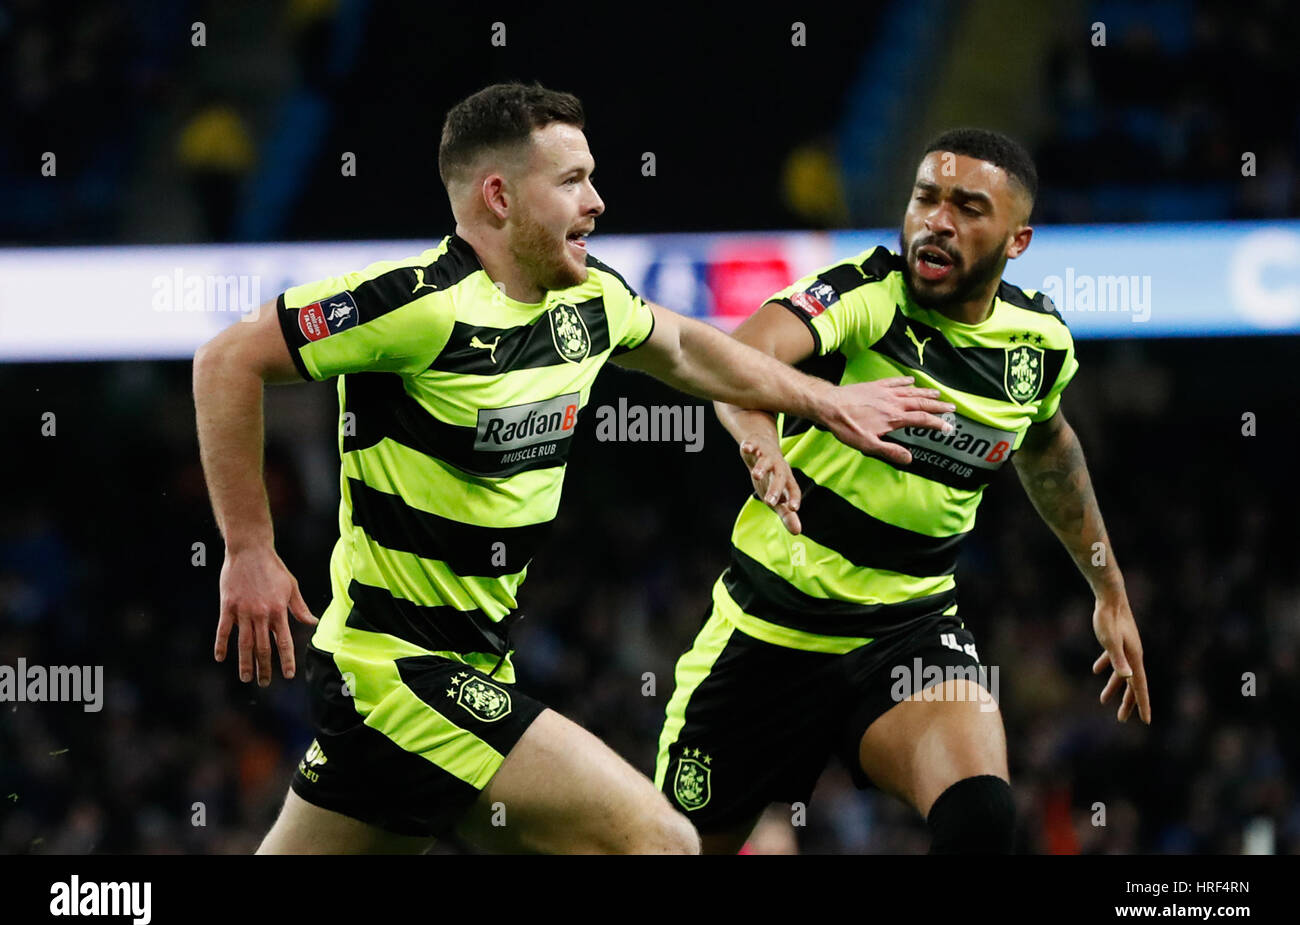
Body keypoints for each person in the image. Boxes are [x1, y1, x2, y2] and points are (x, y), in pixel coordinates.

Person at [192, 82, 954, 854]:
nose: (596, 202)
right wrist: (250, 548)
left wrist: (824, 402)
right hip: (396, 674)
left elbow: (693, 351)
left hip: (466, 670)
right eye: (571, 182)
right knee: (660, 841)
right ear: (499, 195)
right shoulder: (418, 304)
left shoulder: (590, 305)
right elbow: (228, 360)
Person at [654, 128, 1151, 854]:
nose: (937, 220)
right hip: (769, 630)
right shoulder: (867, 293)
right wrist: (759, 439)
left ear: (1018, 240)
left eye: (969, 207)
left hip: (905, 633)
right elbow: (734, 358)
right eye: (926, 197)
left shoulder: (1037, 344)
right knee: (681, 847)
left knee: (981, 818)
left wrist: (1108, 589)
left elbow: (1048, 448)